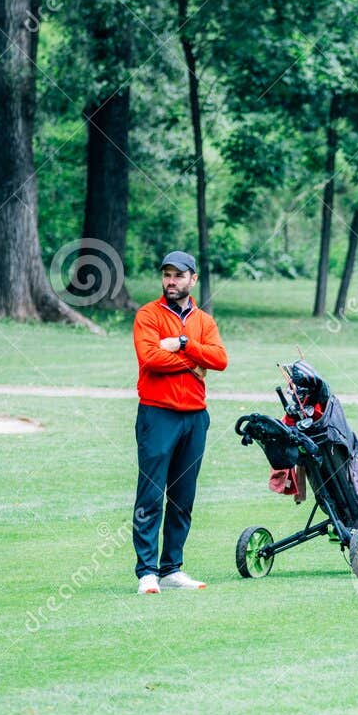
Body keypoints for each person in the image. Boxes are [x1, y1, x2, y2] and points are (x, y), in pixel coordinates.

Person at [132, 251, 229, 594]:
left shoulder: (203, 321)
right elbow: (151, 358)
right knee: (151, 494)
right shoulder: (148, 315)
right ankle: (147, 572)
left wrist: (185, 343)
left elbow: (220, 359)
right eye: (167, 275)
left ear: (193, 280)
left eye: (178, 276)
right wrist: (192, 362)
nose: (171, 282)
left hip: (194, 417)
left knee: (182, 497)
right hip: (158, 414)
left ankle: (172, 568)